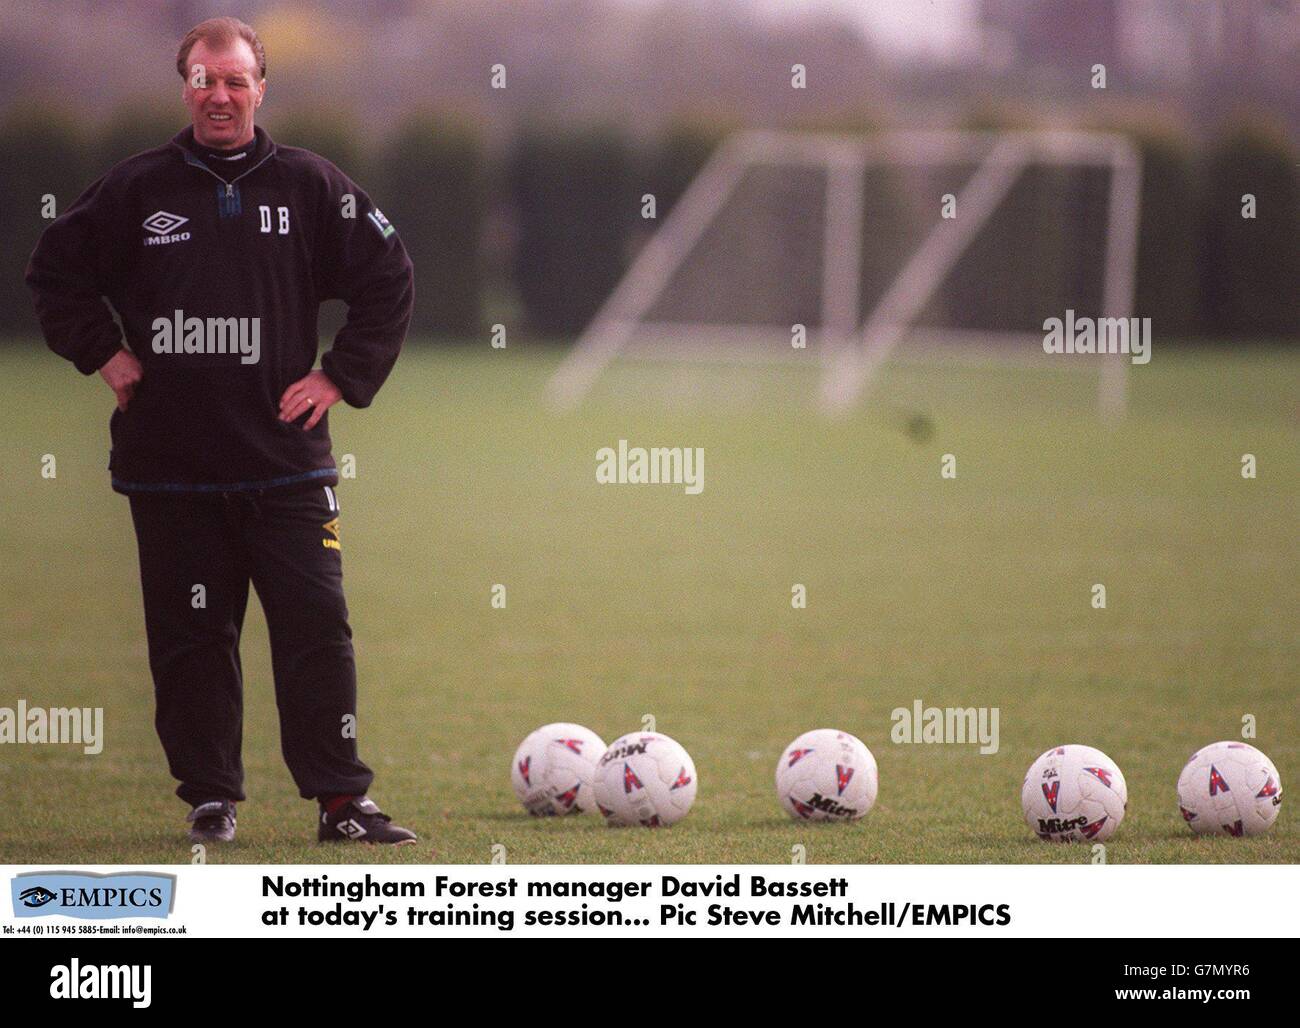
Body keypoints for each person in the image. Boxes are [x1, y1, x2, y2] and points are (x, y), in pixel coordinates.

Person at [26, 17, 417, 846]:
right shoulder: (136, 191)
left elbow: (389, 276)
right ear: (186, 89)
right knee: (193, 638)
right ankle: (210, 797)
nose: (220, 95)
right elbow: (52, 272)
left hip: (285, 467)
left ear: (261, 88)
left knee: (317, 625)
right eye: (204, 80)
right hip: (170, 467)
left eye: (236, 79)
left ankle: (342, 802)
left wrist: (340, 376)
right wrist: (105, 354)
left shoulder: (312, 187)